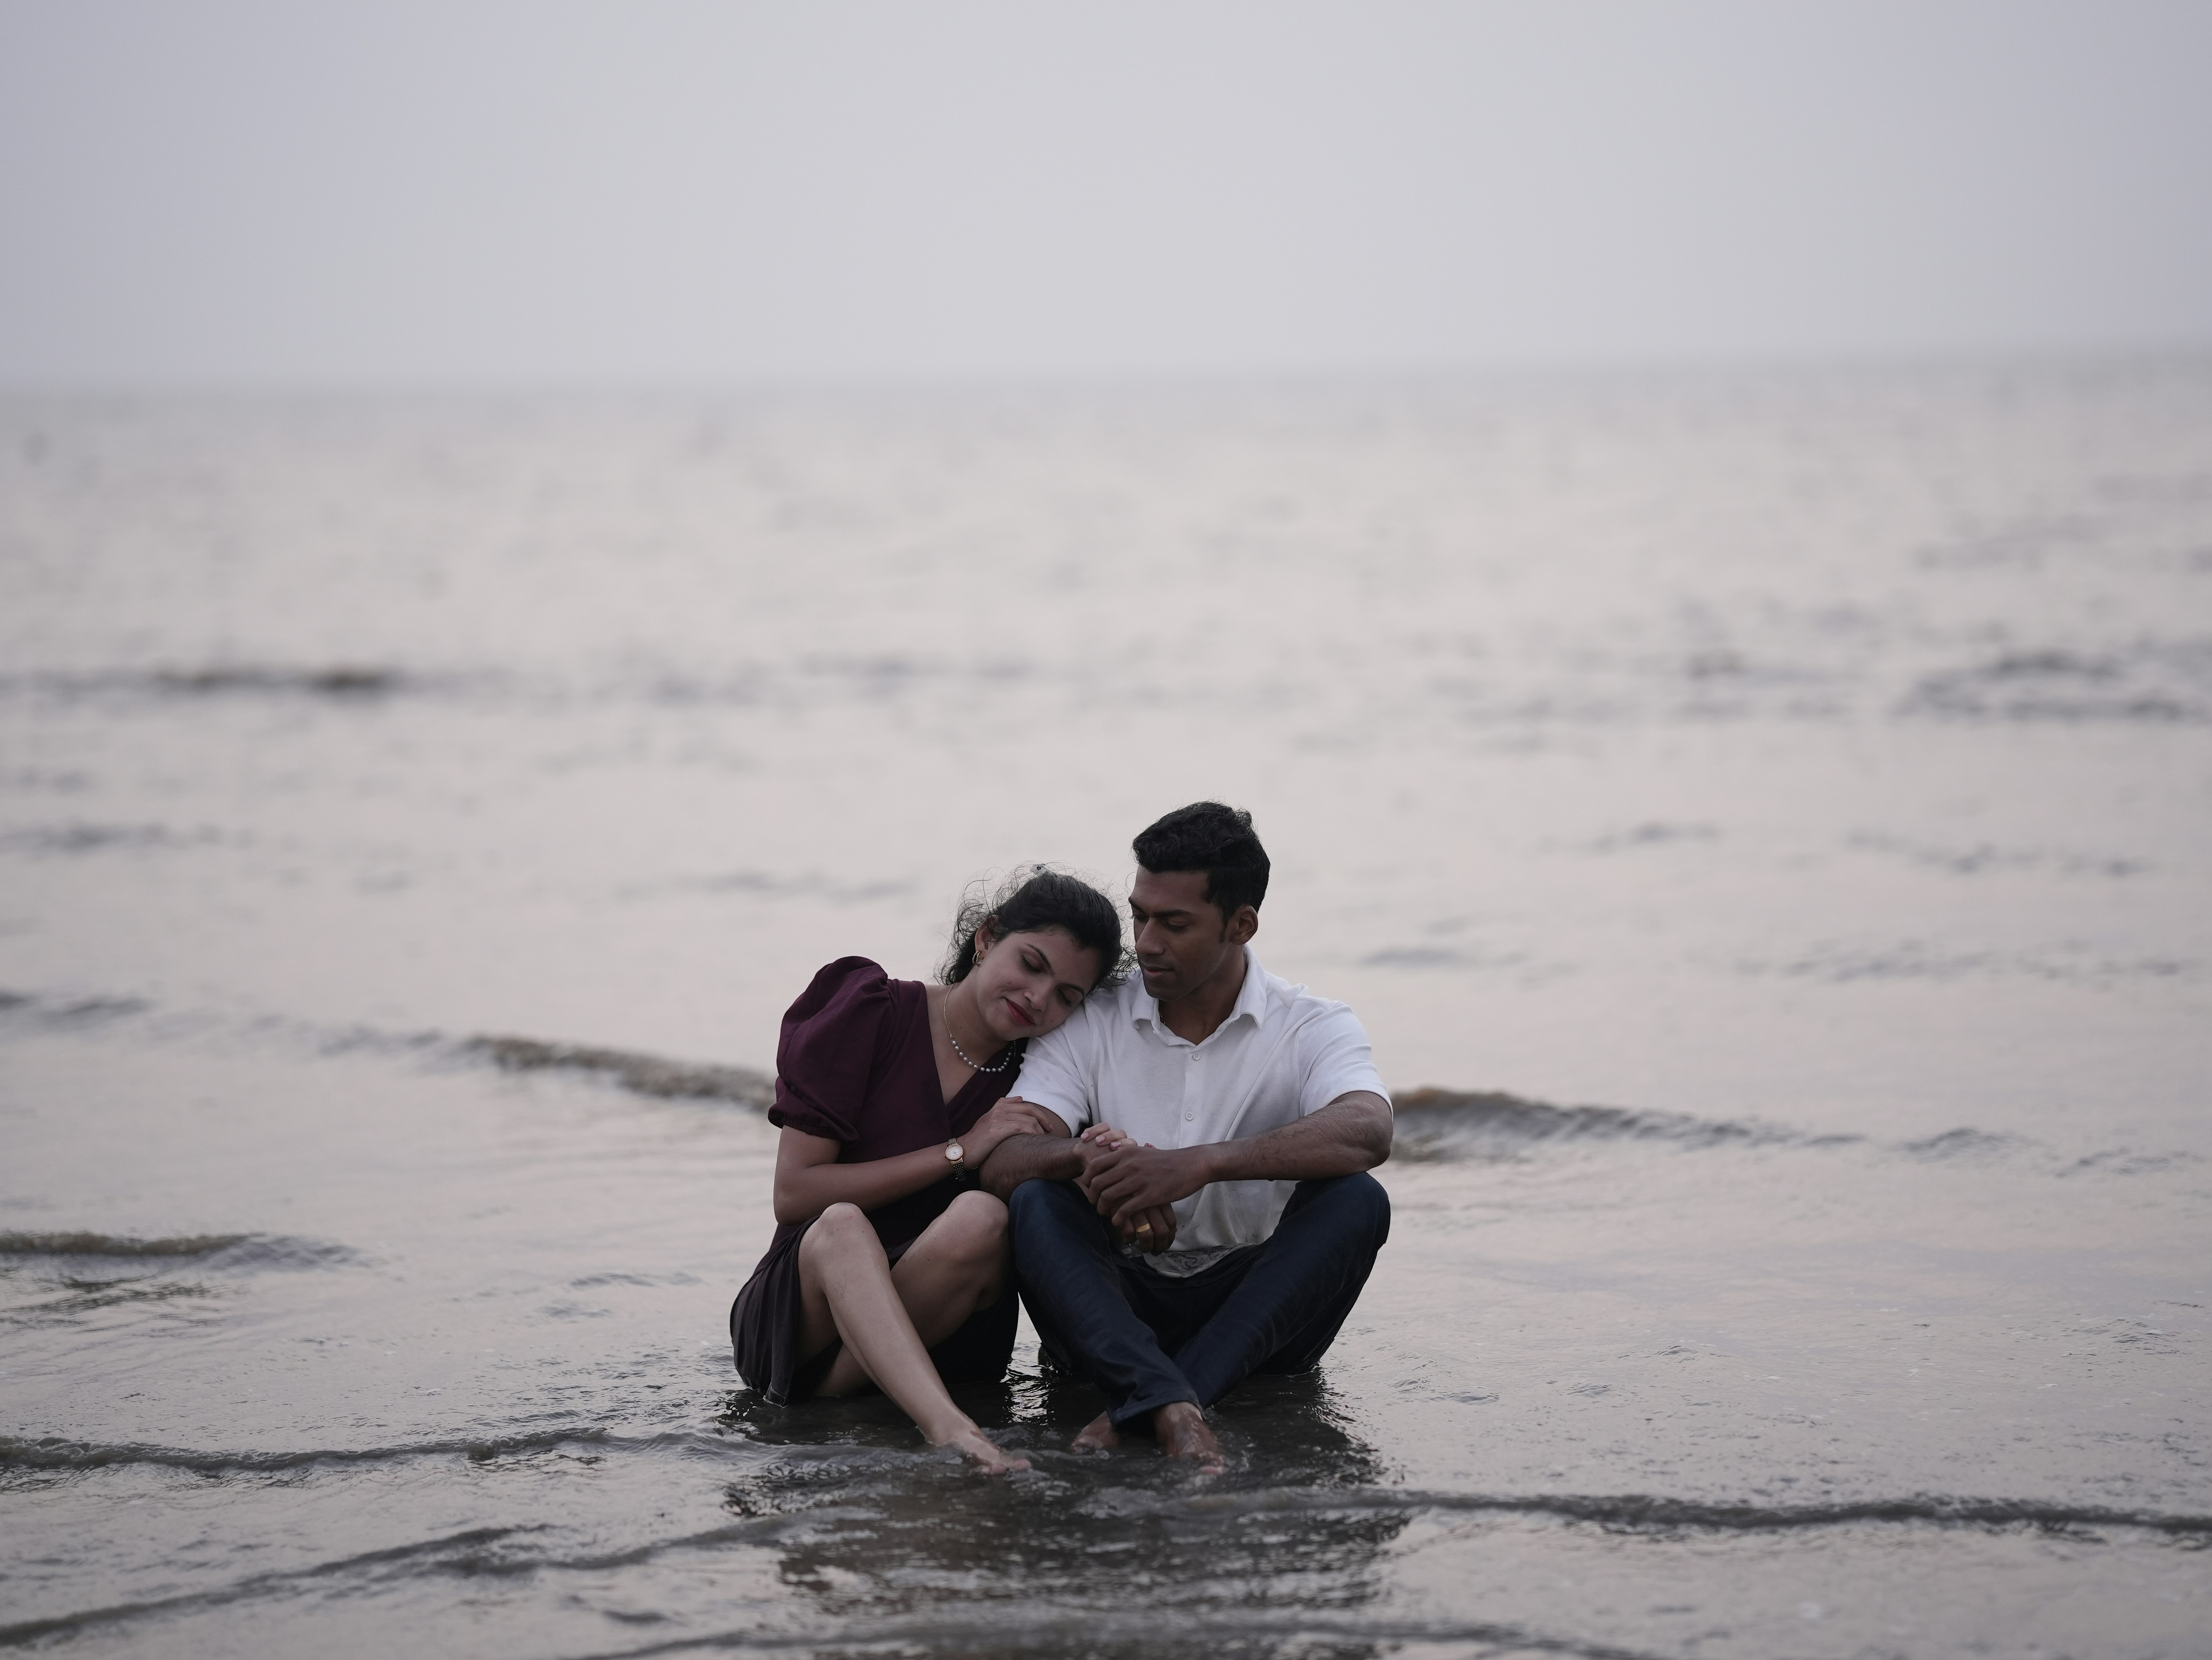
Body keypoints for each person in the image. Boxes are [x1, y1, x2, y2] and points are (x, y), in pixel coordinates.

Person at [979, 803, 1394, 1473]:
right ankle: (1173, 1408)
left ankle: (1158, 1401)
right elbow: (1002, 1159)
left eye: (1174, 924)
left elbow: (1369, 1129)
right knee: (1035, 1198)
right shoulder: (1092, 1020)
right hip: (1111, 1310)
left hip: (1257, 1316)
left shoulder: (1312, 1025)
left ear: (1242, 925)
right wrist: (1085, 1160)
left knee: (1358, 1200)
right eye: (1140, 915)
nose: (1144, 941)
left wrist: (1198, 1166)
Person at [729, 867, 1125, 1474]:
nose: (1039, 999)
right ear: (987, 938)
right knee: (841, 1225)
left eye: (1068, 995)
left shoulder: (1044, 1080)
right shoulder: (872, 1011)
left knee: (983, 1216)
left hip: (944, 1323)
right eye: (1032, 963)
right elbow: (794, 1194)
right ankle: (947, 1428)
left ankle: (833, 1399)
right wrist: (960, 1150)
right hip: (803, 1318)